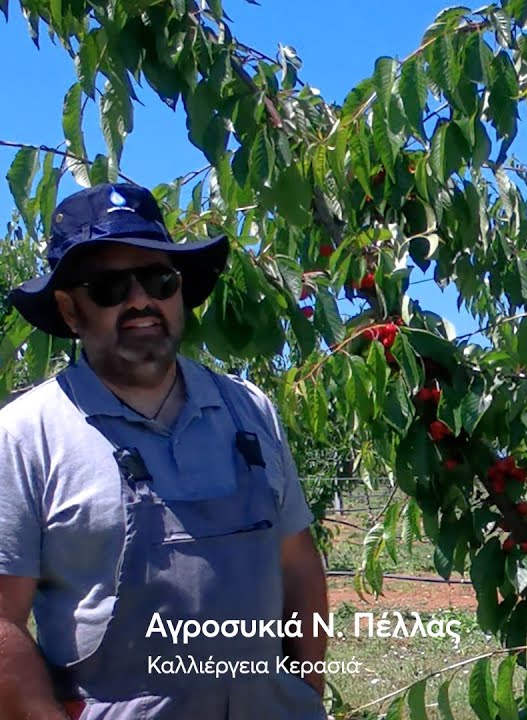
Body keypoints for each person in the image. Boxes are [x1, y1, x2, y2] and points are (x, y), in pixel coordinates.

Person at [0, 183, 329, 719]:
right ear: (69, 309)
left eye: (159, 280)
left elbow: (297, 565)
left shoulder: (250, 411)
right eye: (108, 286)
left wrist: (301, 697)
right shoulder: (25, 437)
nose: (139, 301)